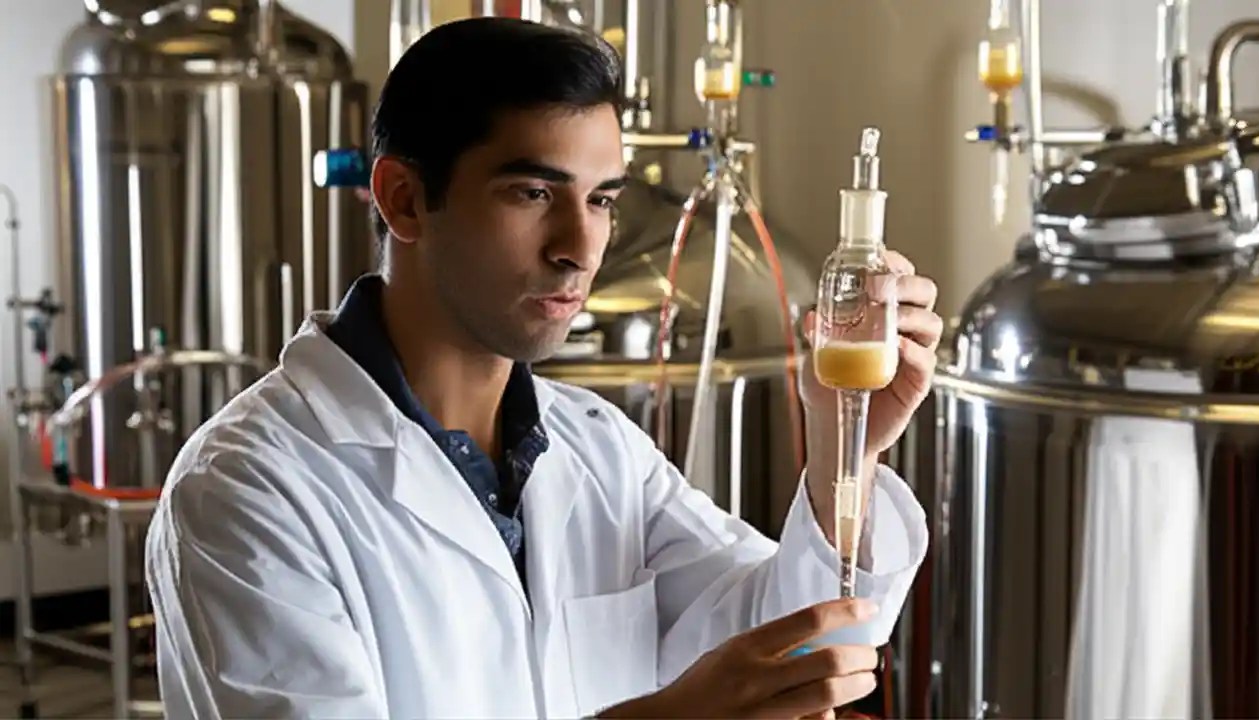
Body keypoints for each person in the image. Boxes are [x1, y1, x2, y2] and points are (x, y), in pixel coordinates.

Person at [144, 16, 941, 720]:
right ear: (404, 199)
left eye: (601, 199)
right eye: (533, 192)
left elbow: (793, 646)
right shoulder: (246, 490)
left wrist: (848, 453)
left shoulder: (598, 450)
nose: (581, 246)